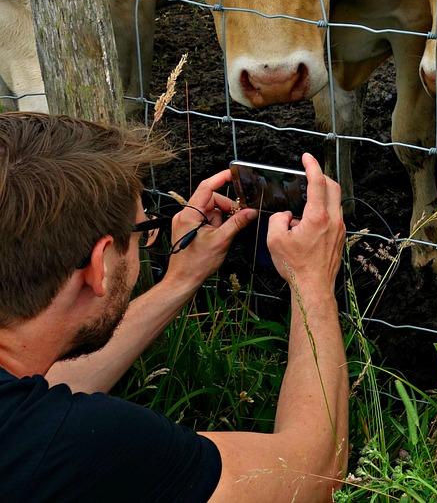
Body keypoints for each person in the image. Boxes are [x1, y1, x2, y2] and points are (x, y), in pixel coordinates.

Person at [0, 112, 349, 502]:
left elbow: (37, 398)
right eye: (143, 228)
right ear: (98, 265)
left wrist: (180, 279)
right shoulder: (90, 445)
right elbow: (312, 471)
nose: (151, 230)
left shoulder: (24, 430)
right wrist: (312, 281)